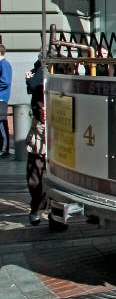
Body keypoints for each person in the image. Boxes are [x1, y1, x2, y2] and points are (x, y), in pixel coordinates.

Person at [25, 83, 47, 225]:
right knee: (36, 177)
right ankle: (37, 209)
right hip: (40, 136)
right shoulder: (41, 84)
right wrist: (41, 111)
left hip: (61, 135)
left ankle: (56, 216)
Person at [0, 45, 12, 158]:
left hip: (1, 98)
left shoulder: (4, 64)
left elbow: (5, 82)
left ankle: (5, 149)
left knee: (1, 123)